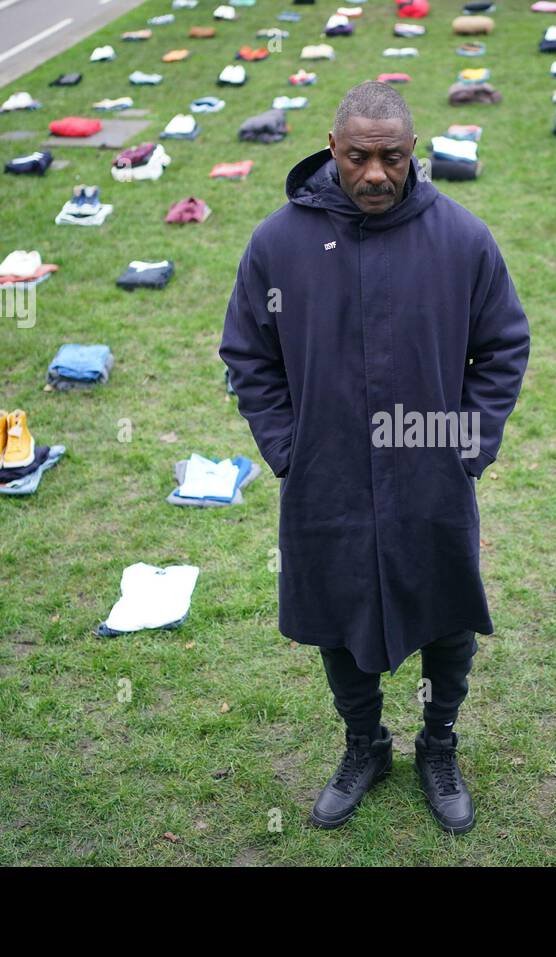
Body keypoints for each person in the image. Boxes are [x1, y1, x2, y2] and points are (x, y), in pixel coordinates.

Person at [219, 81, 530, 835]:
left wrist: (467, 445)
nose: (375, 175)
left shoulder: (461, 239)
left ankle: (439, 745)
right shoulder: (278, 243)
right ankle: (365, 744)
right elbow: (248, 354)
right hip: (325, 475)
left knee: (447, 610)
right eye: (358, 157)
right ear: (332, 149)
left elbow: (503, 346)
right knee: (337, 610)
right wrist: (289, 447)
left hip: (430, 469)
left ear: (413, 153)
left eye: (391, 158)